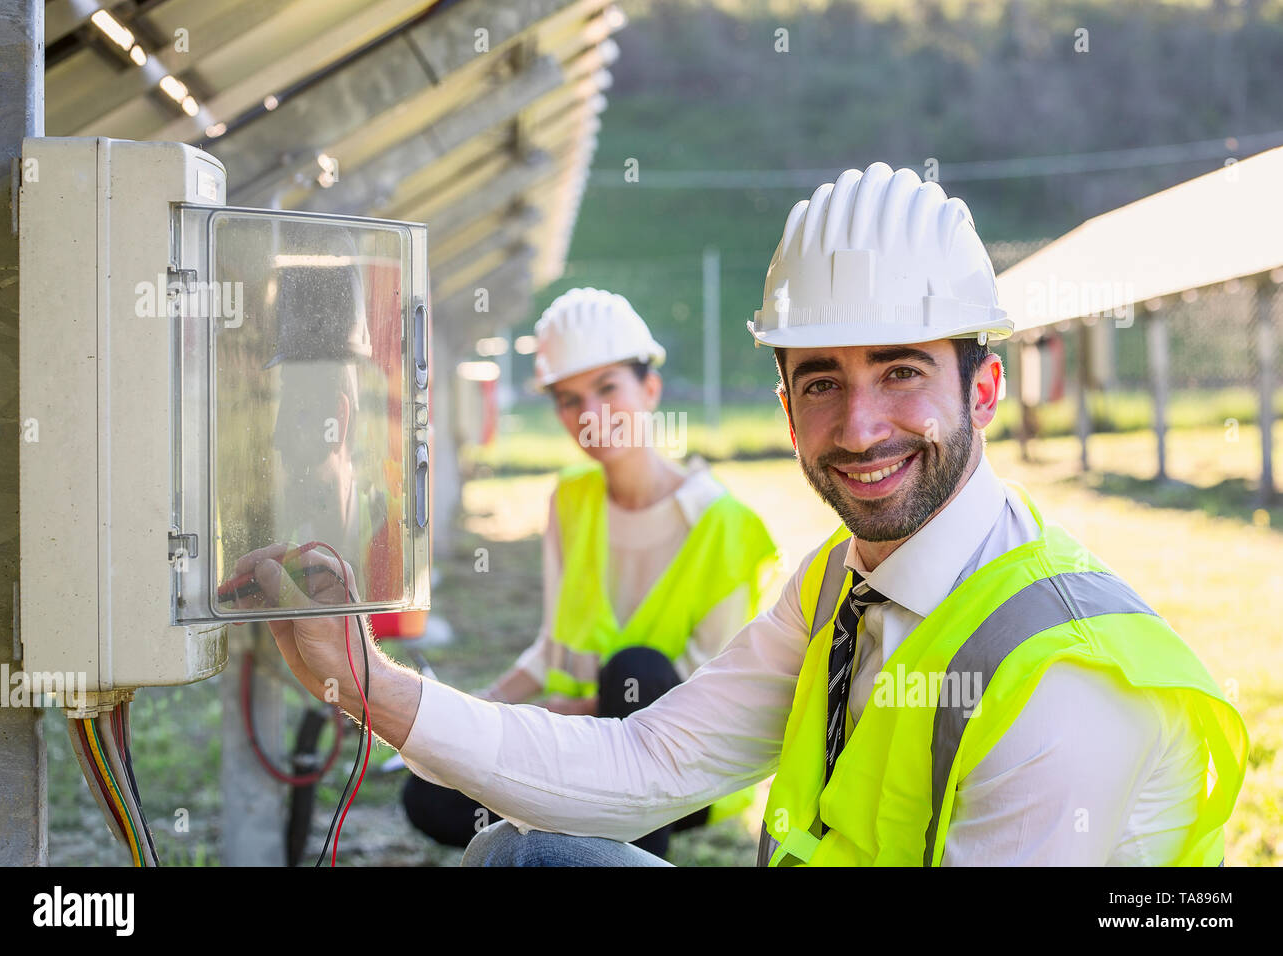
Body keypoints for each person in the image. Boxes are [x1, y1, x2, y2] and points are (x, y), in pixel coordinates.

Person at [248, 162, 1248, 866]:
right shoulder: (837, 585)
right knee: (520, 855)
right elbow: (645, 759)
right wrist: (367, 681)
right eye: (822, 382)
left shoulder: (1061, 679)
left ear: (983, 390)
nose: (859, 428)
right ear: (785, 407)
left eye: (902, 372)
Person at [399, 287, 779, 857]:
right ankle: (578, 835)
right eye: (569, 399)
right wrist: (478, 709)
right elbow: (555, 646)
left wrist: (563, 721)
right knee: (429, 793)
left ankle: (612, 845)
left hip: (679, 765)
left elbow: (710, 704)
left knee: (639, 669)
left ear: (650, 389)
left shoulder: (726, 524)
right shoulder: (572, 499)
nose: (591, 416)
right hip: (579, 749)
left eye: (607, 388)